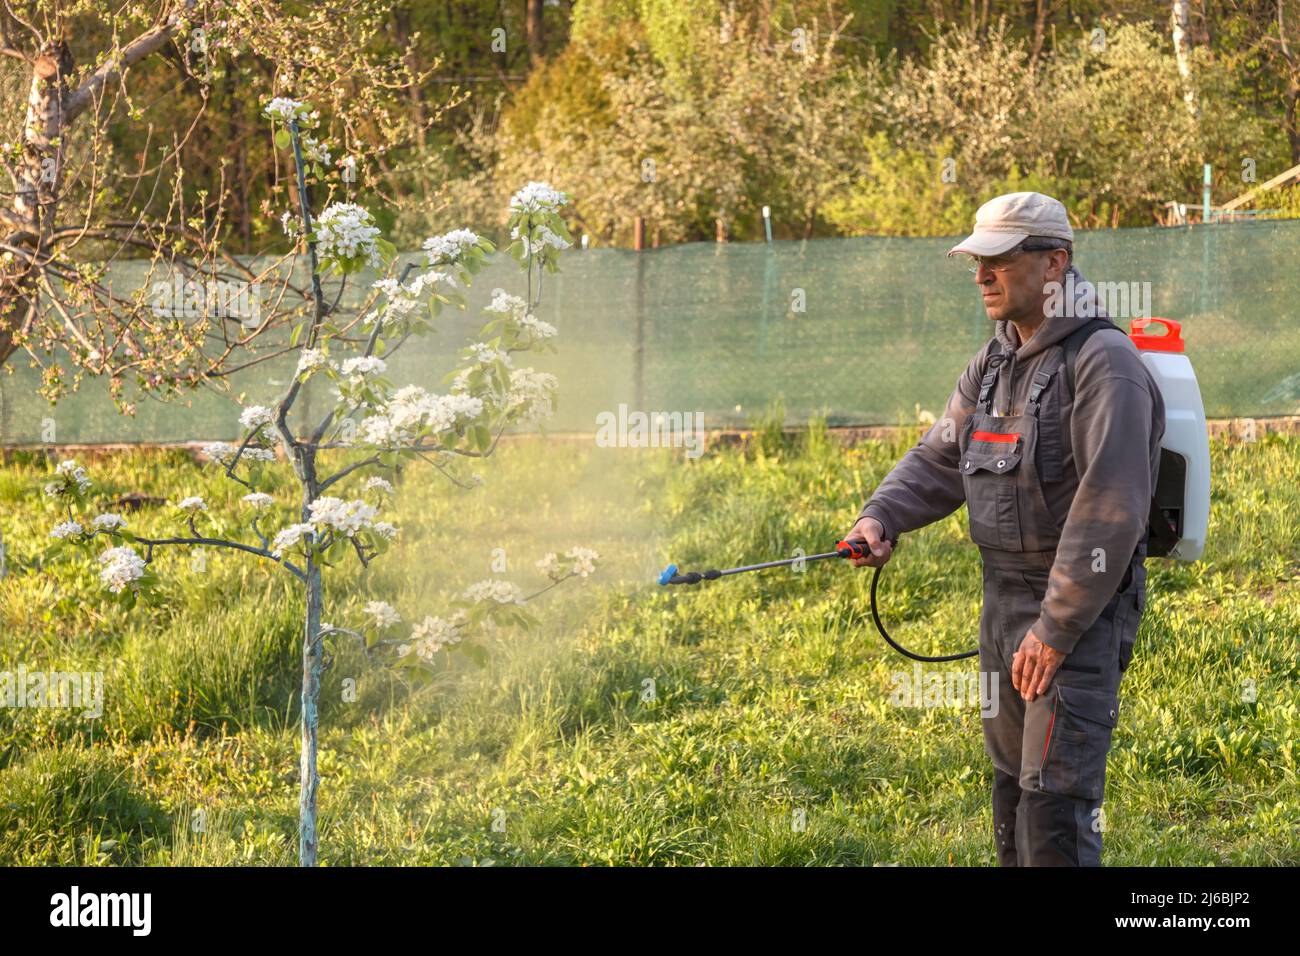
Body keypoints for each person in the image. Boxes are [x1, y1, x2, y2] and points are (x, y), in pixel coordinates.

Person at [844, 192, 1165, 866]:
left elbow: (1111, 506)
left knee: (1056, 806)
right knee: (1012, 798)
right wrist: (882, 515)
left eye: (998, 259)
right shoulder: (991, 365)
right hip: (1001, 607)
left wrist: (1056, 626)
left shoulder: (1103, 364)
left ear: (1055, 262)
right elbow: (940, 456)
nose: (982, 274)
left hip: (1072, 613)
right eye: (976, 261)